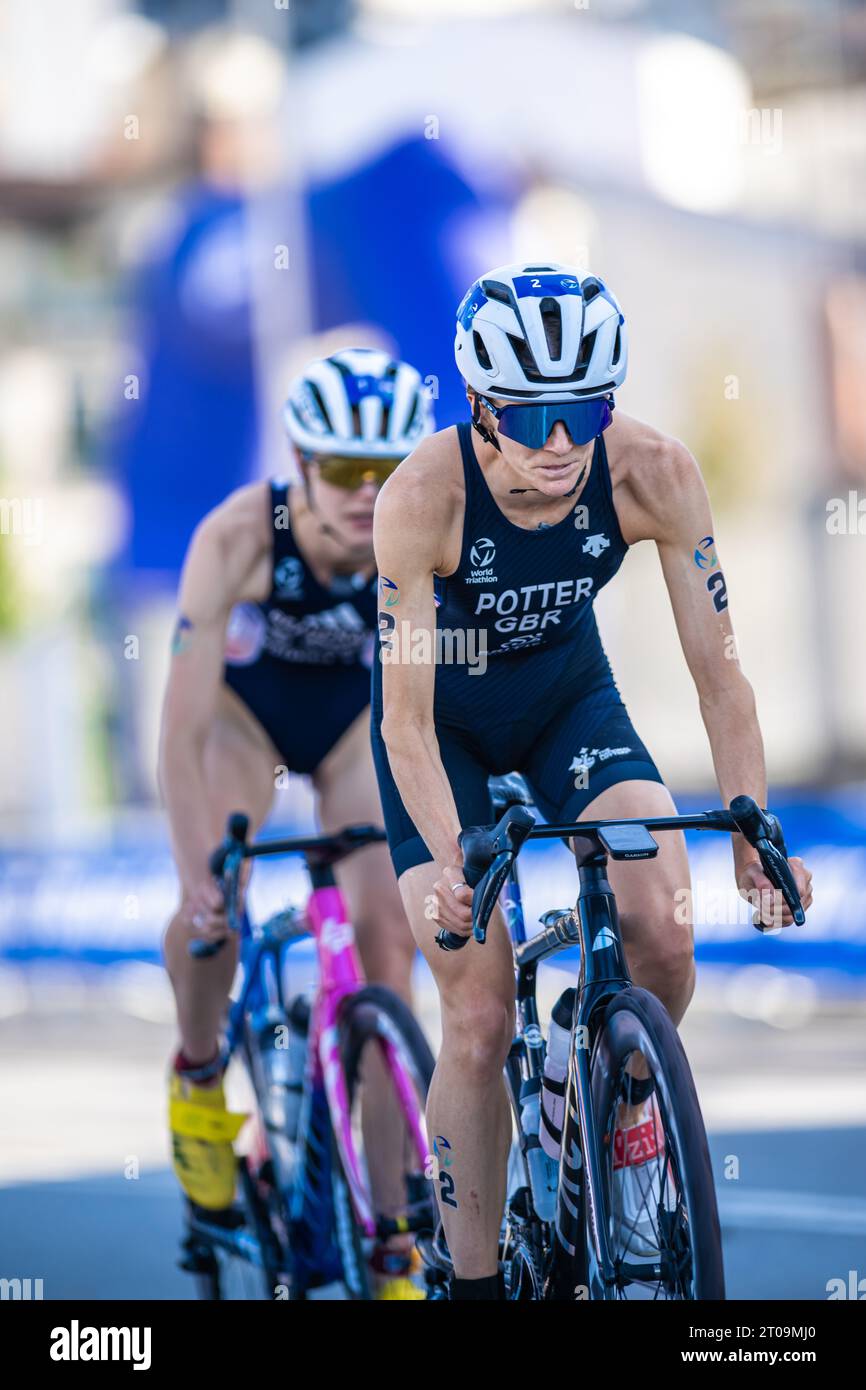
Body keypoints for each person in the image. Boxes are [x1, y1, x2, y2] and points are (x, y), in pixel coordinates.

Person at [371, 263, 813, 1299]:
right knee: (477, 1009)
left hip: (570, 706)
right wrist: (449, 857)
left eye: (583, 409)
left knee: (661, 929)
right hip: (445, 739)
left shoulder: (652, 471)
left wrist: (751, 821)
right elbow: (399, 721)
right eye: (530, 418)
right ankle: (472, 1279)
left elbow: (719, 673)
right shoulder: (420, 500)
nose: (560, 442)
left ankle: (590, 1112)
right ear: (479, 409)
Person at [159, 347, 433, 1296]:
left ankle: (393, 1235)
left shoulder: (423, 519)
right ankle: (199, 1081)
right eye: (345, 472)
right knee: (215, 913)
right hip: (245, 723)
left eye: (387, 472)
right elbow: (181, 729)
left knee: (387, 931)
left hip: (355, 727)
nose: (368, 496)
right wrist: (201, 868)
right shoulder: (238, 535)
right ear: (299, 461)